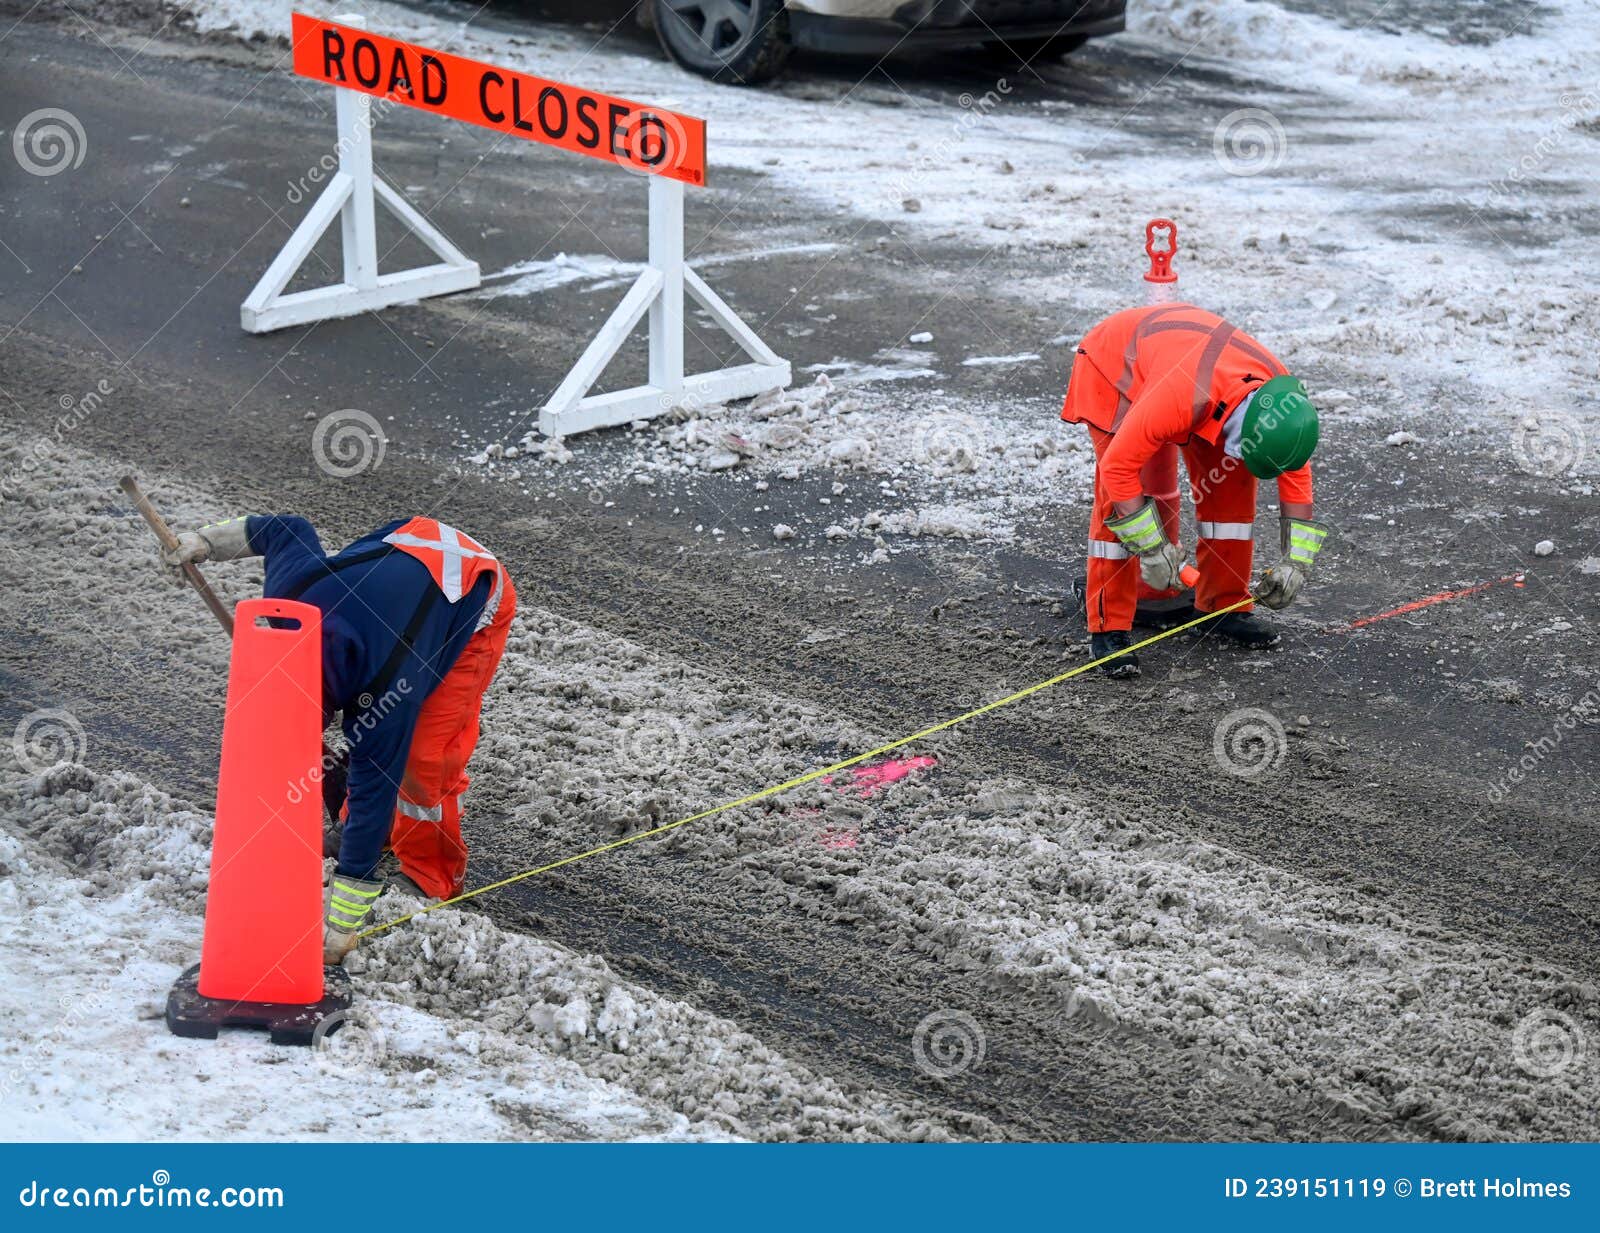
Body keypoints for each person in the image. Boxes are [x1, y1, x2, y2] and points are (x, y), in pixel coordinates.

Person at [161, 514, 515, 962]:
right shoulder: (292, 603)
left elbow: (373, 786)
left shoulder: (390, 692)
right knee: (374, 769)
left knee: (424, 757)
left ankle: (432, 876)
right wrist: (203, 541)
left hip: (472, 589)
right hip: (408, 539)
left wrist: (341, 927)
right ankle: (367, 832)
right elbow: (286, 530)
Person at [1060, 302, 1330, 678]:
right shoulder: (1177, 397)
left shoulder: (1284, 410)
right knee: (1116, 503)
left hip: (1192, 369)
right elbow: (1118, 468)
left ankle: (1223, 608)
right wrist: (1154, 551)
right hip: (1113, 365)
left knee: (1232, 488)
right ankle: (1109, 629)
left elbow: (1296, 478)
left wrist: (1296, 563)